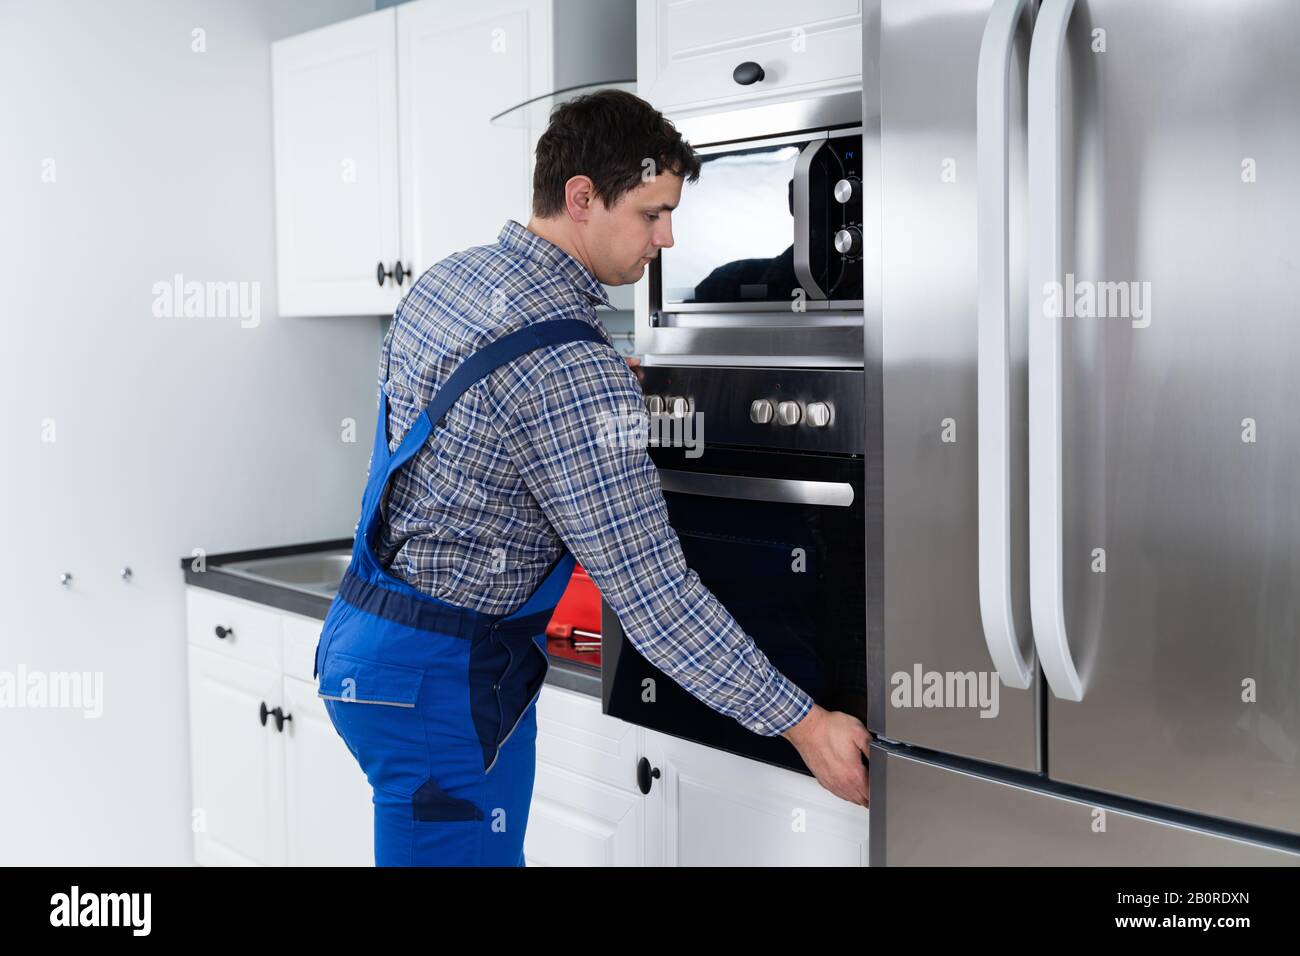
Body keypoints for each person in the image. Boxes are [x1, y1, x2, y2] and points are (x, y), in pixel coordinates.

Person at [313, 89, 870, 867]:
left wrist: (605, 400)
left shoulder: (451, 281)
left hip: (365, 639)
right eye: (651, 213)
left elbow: (461, 436)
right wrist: (805, 724)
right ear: (582, 198)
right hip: (440, 685)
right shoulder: (574, 369)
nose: (667, 238)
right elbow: (655, 599)